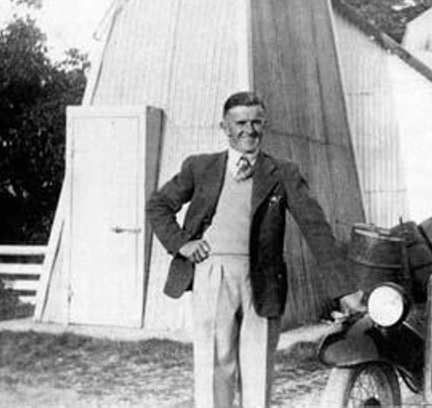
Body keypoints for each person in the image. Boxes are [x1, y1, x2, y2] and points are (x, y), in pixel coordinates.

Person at [147, 91, 362, 408]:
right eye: (240, 123)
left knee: (258, 364)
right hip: (212, 275)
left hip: (263, 280)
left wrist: (344, 288)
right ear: (224, 126)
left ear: (265, 125)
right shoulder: (200, 167)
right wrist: (181, 244)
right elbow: (158, 205)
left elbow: (316, 228)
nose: (249, 130)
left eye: (257, 122)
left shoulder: (283, 172)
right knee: (215, 362)